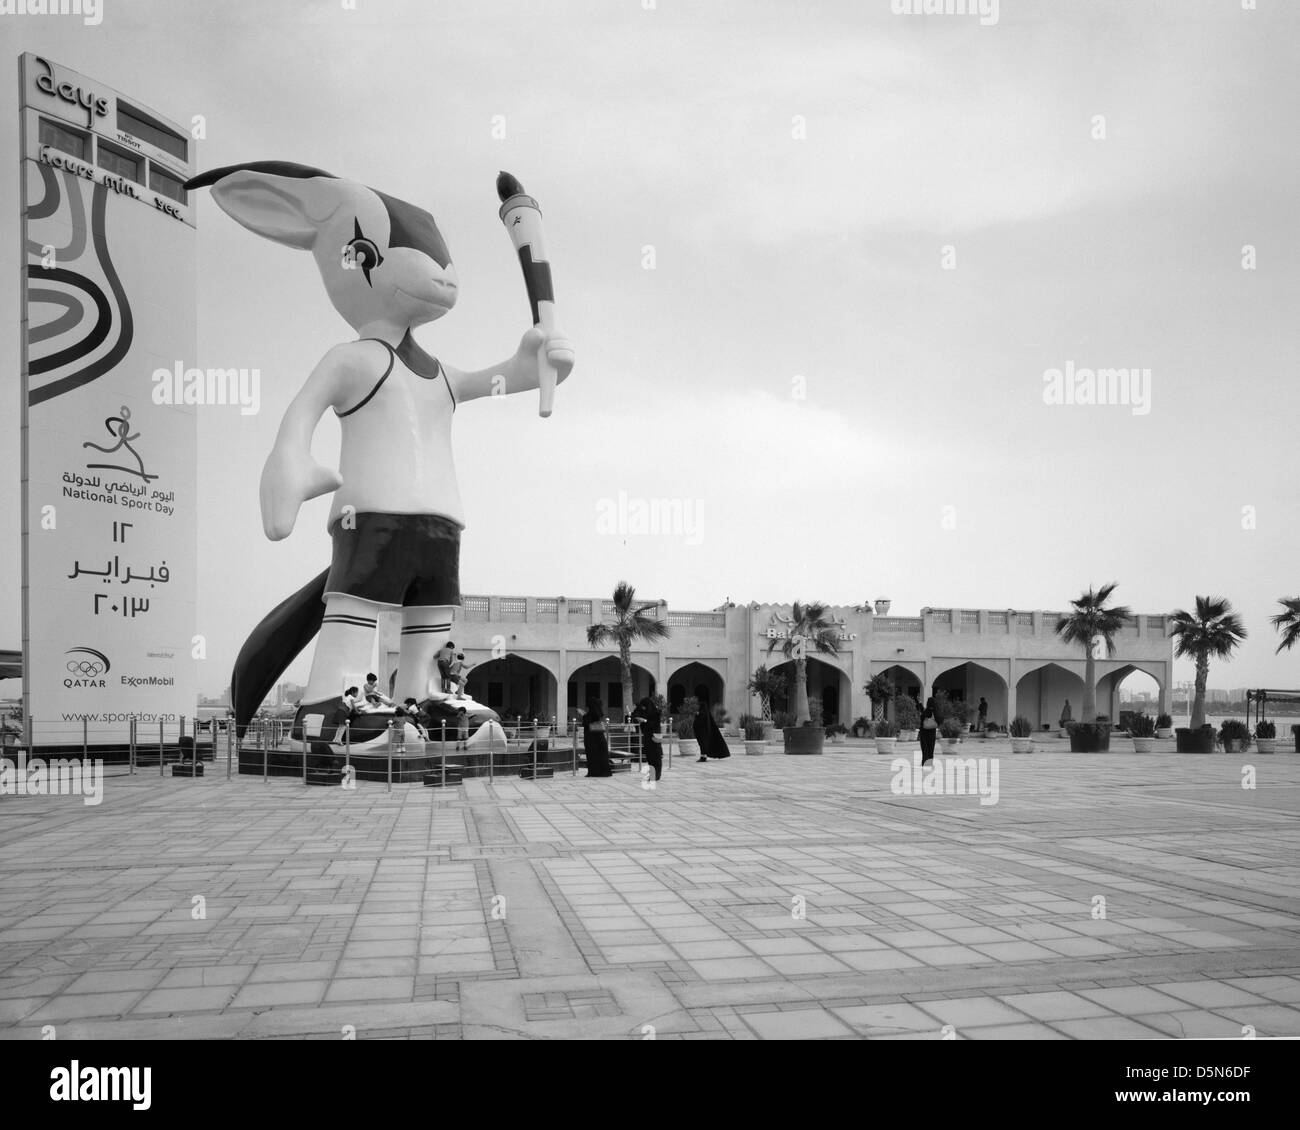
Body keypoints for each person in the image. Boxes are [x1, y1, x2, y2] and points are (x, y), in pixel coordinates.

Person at [630, 696, 663, 781]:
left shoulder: (655, 713)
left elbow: (654, 724)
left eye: (644, 706)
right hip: (647, 737)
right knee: (649, 756)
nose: (643, 708)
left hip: (655, 737)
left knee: (656, 756)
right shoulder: (644, 712)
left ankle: (657, 775)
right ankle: (652, 774)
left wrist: (645, 721)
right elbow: (635, 715)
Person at [582, 696, 611, 777]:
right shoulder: (597, 712)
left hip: (591, 738)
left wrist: (584, 715)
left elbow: (587, 722)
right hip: (599, 737)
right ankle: (602, 771)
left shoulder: (591, 713)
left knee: (592, 755)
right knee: (601, 755)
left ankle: (594, 772)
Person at [920, 696, 938, 764]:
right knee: (931, 748)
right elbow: (939, 720)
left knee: (925, 748)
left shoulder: (926, 711)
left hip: (924, 732)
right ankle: (930, 762)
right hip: (932, 732)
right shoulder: (935, 711)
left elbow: (922, 717)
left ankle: (925, 762)